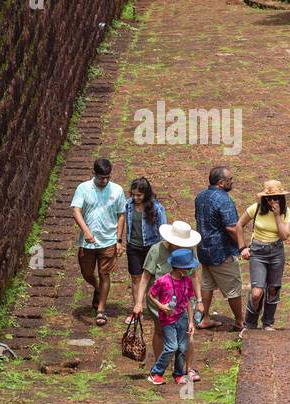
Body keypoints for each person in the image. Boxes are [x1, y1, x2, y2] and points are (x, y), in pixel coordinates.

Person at [134, 220, 205, 382]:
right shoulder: (156, 250)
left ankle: (186, 368)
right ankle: (160, 368)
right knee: (160, 332)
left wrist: (199, 300)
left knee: (186, 335)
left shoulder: (189, 251)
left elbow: (194, 275)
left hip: (183, 300)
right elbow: (145, 278)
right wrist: (138, 302)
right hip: (160, 302)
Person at [70, 158, 125, 326]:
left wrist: (119, 240)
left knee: (105, 274)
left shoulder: (117, 190)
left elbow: (121, 214)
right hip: (88, 242)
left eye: (107, 177)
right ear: (94, 174)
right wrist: (86, 230)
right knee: (87, 272)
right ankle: (98, 288)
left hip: (108, 240)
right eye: (101, 177)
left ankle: (101, 309)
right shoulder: (83, 188)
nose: (105, 180)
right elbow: (76, 210)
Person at [194, 167, 245, 333]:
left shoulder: (200, 196)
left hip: (204, 249)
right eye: (230, 179)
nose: (233, 181)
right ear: (221, 183)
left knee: (207, 284)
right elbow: (231, 228)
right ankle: (240, 321)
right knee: (233, 288)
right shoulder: (224, 200)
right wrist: (242, 246)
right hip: (221, 252)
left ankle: (204, 318)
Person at [237, 180, 290, 330]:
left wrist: (277, 216)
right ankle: (250, 323)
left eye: (276, 197)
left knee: (273, 288)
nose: (273, 201)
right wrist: (242, 248)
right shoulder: (256, 208)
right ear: (264, 198)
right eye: (269, 198)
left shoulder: (285, 212)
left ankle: (268, 322)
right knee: (256, 292)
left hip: (276, 252)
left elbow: (284, 235)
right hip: (258, 252)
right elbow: (239, 225)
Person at [146, 248, 198, 386]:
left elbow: (188, 301)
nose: (189, 270)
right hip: (167, 319)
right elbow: (150, 295)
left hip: (182, 317)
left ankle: (179, 373)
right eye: (188, 268)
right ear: (180, 268)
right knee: (172, 346)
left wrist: (191, 322)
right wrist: (161, 306)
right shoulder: (163, 281)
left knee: (182, 347)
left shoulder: (187, 281)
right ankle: (156, 372)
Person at [123, 177, 166, 322]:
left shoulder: (156, 208)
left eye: (139, 195)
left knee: (151, 279)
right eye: (133, 194)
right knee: (135, 278)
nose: (135, 198)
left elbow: (163, 229)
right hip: (133, 246)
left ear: (146, 194)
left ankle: (155, 307)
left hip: (151, 247)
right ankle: (137, 308)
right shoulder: (128, 205)